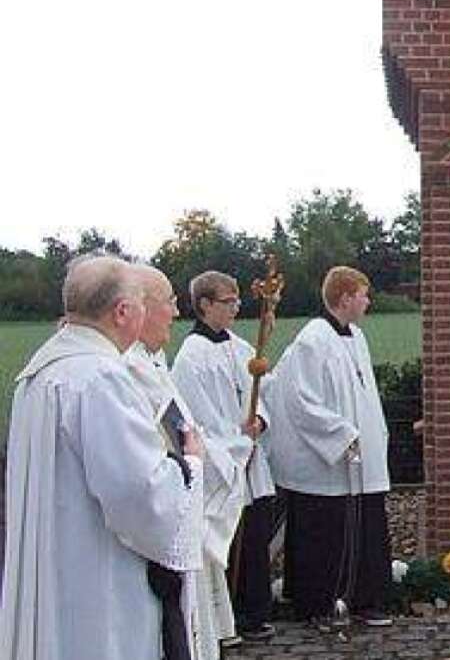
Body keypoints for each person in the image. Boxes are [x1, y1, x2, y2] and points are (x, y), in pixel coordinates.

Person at [0, 255, 205, 660]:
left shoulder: (40, 373)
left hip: (57, 565)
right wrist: (190, 465)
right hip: (99, 580)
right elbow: (141, 495)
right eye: (142, 303)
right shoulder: (101, 378)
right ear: (123, 312)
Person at [267, 266, 392, 630]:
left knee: (366, 528)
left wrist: (373, 435)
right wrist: (341, 435)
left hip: (362, 458)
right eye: (363, 295)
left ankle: (364, 599)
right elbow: (300, 400)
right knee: (322, 533)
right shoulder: (312, 340)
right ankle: (316, 605)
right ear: (345, 297)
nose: (368, 301)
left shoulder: (357, 337)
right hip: (327, 462)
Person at [171, 270, 275, 648]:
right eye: (228, 302)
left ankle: (256, 611)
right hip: (223, 462)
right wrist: (234, 445)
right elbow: (198, 418)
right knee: (230, 541)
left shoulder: (240, 347)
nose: (236, 308)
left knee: (257, 536)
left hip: (249, 457)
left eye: (236, 301)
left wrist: (259, 419)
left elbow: (260, 389)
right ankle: (230, 616)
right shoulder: (190, 359)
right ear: (204, 305)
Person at [122, 264, 204, 660]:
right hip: (151, 545)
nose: (175, 312)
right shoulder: (127, 371)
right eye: (169, 302)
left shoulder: (154, 363)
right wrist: (194, 461)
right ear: (138, 307)